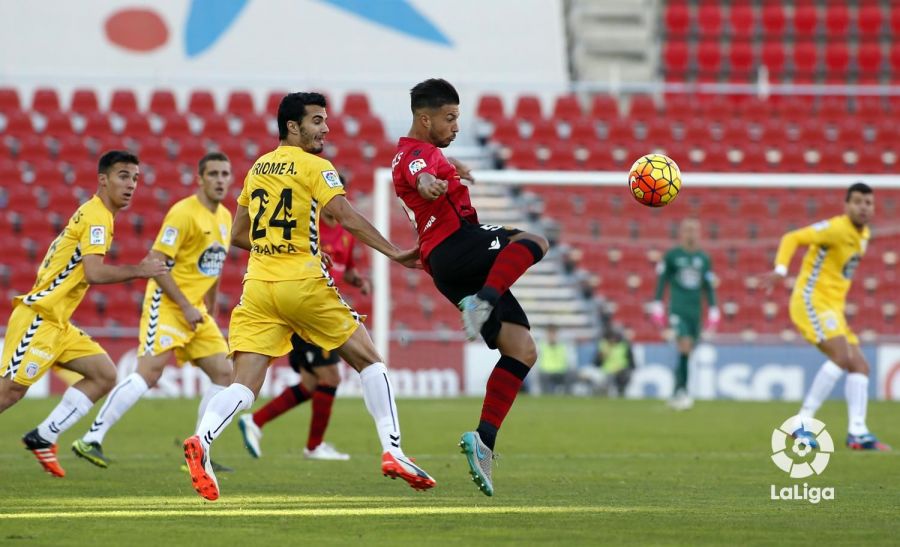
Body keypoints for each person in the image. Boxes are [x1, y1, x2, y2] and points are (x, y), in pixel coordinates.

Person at [182, 92, 434, 502]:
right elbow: (346, 215)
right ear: (293, 127)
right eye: (317, 120)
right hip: (302, 281)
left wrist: (279, 245)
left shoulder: (258, 167)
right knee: (370, 360)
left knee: (244, 386)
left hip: (259, 286)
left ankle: (203, 439)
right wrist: (393, 252)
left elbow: (237, 234)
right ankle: (394, 451)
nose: (326, 128)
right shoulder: (316, 166)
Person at [391, 78, 549, 496]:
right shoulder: (418, 156)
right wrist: (434, 183)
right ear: (425, 119)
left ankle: (483, 441)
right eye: (450, 118)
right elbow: (421, 176)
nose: (456, 125)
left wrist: (450, 169)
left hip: (446, 265)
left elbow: (425, 173)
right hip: (458, 246)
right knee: (533, 241)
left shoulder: (421, 153)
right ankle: (483, 300)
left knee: (522, 350)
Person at [0, 150, 168, 477]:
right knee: (10, 391)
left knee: (104, 374)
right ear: (102, 180)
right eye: (123, 176)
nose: (131, 184)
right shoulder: (96, 216)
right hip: (40, 317)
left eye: (135, 178)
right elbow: (94, 272)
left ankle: (44, 435)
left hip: (59, 323)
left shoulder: (100, 215)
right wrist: (140, 270)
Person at [72, 152, 235, 470]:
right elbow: (156, 263)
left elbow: (214, 266)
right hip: (169, 305)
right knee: (150, 371)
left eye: (225, 174)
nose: (219, 180)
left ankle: (198, 452)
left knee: (225, 374)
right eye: (213, 173)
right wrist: (186, 306)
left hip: (196, 310)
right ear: (199, 179)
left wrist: (209, 308)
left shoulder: (225, 218)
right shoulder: (183, 213)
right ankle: (92, 437)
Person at [238, 196, 371, 461]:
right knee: (331, 378)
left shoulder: (346, 236)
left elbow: (345, 270)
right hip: (307, 310)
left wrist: (358, 281)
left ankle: (256, 421)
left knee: (312, 383)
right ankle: (314, 447)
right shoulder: (308, 228)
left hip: (321, 311)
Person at [761, 182, 889, 451]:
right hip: (811, 300)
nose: (863, 207)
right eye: (857, 202)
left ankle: (857, 431)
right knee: (841, 357)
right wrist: (781, 270)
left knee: (860, 366)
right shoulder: (835, 228)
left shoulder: (863, 234)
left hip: (833, 307)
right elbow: (791, 237)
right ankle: (801, 421)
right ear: (846, 206)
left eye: (868, 203)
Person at [650, 218, 719, 411]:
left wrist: (713, 308)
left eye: (694, 230)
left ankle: (677, 391)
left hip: (695, 311)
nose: (691, 234)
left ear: (699, 233)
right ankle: (684, 393)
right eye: (687, 230)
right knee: (685, 345)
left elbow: (708, 285)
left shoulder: (704, 258)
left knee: (686, 352)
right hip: (678, 309)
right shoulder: (672, 256)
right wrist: (657, 303)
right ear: (681, 233)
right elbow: (662, 280)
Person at [596, 328, 634, 397]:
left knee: (624, 376)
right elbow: (598, 361)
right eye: (610, 337)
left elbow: (630, 361)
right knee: (606, 380)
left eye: (614, 337)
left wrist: (623, 367)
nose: (612, 339)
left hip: (621, 370)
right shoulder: (603, 345)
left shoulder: (623, 345)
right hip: (607, 370)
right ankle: (605, 394)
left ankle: (621, 393)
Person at [536, 325, 571, 395]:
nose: (552, 336)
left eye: (553, 334)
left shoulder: (562, 346)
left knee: (571, 374)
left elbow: (568, 361)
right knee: (541, 375)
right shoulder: (541, 346)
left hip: (561, 371)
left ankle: (567, 396)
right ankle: (545, 395)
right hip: (546, 372)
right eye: (550, 334)